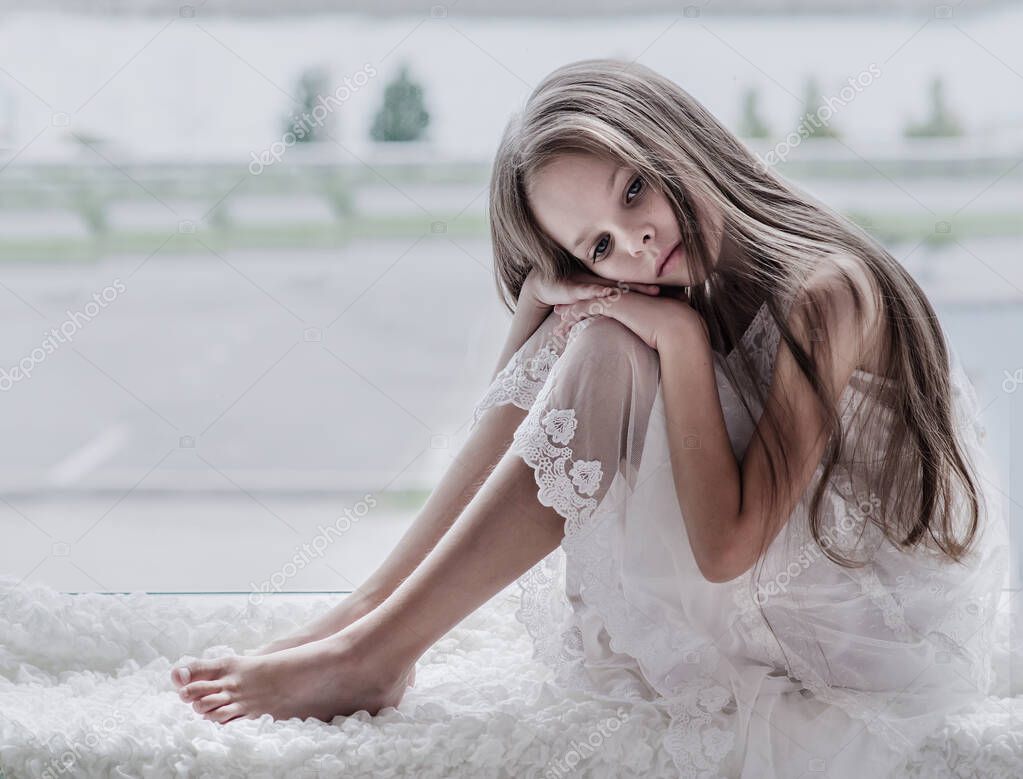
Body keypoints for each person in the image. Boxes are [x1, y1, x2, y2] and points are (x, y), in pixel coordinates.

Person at [171, 58, 1009, 777]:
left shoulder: (826, 291)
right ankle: (368, 617)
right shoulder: (695, 280)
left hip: (860, 626)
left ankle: (373, 650)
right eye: (599, 247)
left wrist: (676, 339)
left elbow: (724, 550)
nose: (636, 243)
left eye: (634, 190)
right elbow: (522, 415)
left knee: (609, 338)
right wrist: (542, 295)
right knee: (593, 331)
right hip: (774, 572)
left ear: (676, 137)